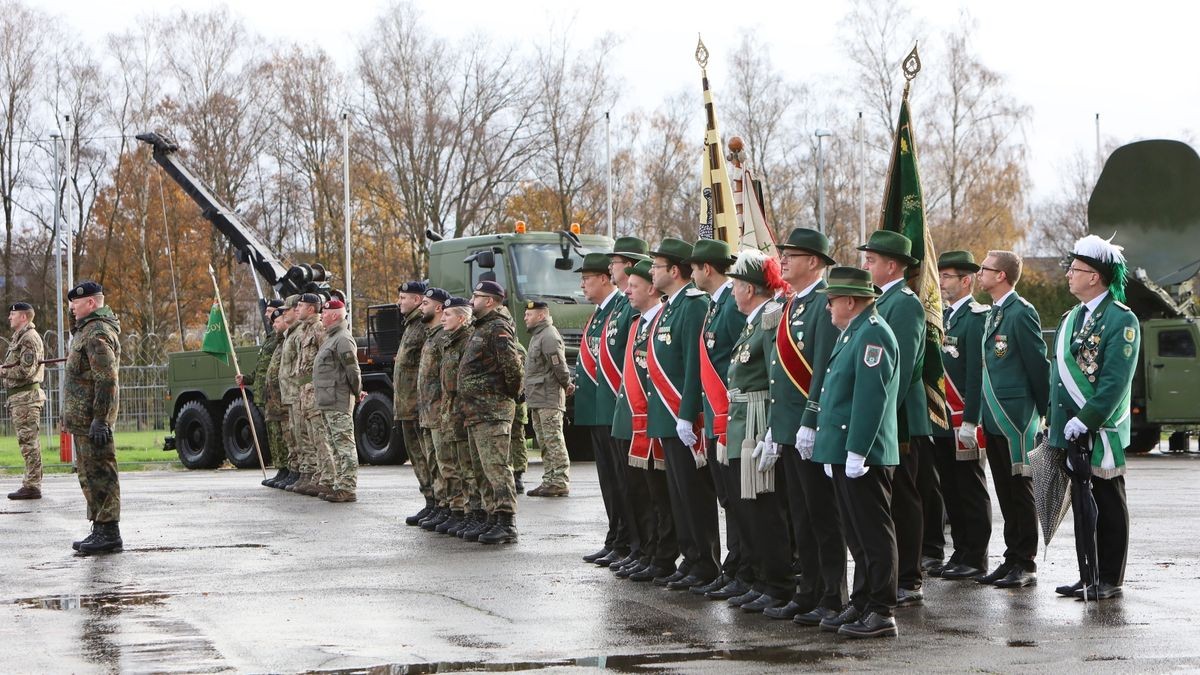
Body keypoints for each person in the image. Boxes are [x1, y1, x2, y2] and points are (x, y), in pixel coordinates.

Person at [764, 228, 848, 625]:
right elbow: (779, 373)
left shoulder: (822, 304)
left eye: (791, 255)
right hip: (788, 428)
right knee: (800, 515)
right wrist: (775, 427)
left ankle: (832, 595)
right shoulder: (793, 303)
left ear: (813, 261)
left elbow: (824, 371)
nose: (783, 260)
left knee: (822, 517)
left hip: (810, 430)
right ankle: (808, 590)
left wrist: (810, 420)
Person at [812, 266, 901, 639]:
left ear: (850, 301)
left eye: (831, 301)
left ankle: (882, 609)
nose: (828, 308)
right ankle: (864, 601)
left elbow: (870, 400)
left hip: (866, 454)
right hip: (845, 450)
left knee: (874, 533)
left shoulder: (872, 335)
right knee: (857, 534)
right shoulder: (854, 333)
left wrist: (857, 451)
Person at [1049, 235, 1139, 600]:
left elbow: (1115, 381)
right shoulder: (1072, 318)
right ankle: (1089, 573)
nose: (1069, 274)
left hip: (1100, 430)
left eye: (1076, 269)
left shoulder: (1121, 320)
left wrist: (1086, 419)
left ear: (1095, 276)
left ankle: (1110, 578)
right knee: (1083, 505)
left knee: (1108, 501)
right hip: (1071, 428)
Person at [859, 230, 931, 606]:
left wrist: (880, 413)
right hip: (886, 413)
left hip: (899, 415)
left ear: (892, 265)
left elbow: (897, 368)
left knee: (903, 496)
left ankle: (909, 576)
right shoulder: (879, 300)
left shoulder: (903, 304)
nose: (865, 265)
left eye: (871, 260)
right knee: (888, 497)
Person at [722, 250, 794, 614]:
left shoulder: (769, 318)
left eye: (735, 284)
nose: (732, 291)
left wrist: (770, 431)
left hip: (755, 420)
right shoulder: (753, 322)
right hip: (740, 421)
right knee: (747, 509)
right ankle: (761, 579)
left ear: (750, 288)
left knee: (765, 510)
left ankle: (777, 582)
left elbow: (775, 376)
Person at [647, 238, 719, 591]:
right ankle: (690, 558)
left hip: (683, 415)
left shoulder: (693, 306)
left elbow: (695, 366)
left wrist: (688, 413)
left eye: (656, 267)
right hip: (667, 415)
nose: (651, 272)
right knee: (678, 495)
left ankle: (705, 561)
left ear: (674, 271)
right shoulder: (671, 307)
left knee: (694, 494)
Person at [976, 250, 1049, 589]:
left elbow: (1037, 364)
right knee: (1005, 490)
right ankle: (1011, 556)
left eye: (985, 269)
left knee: (1021, 490)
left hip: (1017, 418)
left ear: (1001, 275)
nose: (979, 273)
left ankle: (1026, 561)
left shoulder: (1021, 313)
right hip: (994, 416)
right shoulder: (995, 314)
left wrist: (1046, 411)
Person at [686, 239, 752, 601]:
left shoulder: (731, 305)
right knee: (728, 499)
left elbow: (739, 361)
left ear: (706, 269)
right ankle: (735, 566)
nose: (692, 274)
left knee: (740, 501)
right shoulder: (717, 304)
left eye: (694, 268)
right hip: (716, 417)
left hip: (732, 417)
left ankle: (743, 569)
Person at [934, 251, 994, 580]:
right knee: (951, 489)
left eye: (947, 277)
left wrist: (972, 419)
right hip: (942, 419)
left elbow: (976, 374)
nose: (941, 282)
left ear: (966, 281)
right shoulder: (942, 317)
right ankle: (959, 550)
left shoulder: (976, 318)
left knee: (970, 488)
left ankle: (976, 555)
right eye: (940, 276)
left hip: (963, 418)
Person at [576, 253, 638, 567]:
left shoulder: (621, 308)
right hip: (597, 408)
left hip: (614, 406)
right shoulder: (602, 313)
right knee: (609, 481)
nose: (582, 284)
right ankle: (616, 537)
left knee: (622, 481)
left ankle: (625, 540)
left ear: (603, 278)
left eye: (587, 278)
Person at [620, 259, 679, 581]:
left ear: (652, 288)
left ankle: (664, 555)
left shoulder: (660, 320)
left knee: (665, 496)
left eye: (634, 286)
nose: (627, 291)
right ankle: (649, 550)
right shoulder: (639, 323)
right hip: (642, 418)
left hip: (663, 416)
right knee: (647, 494)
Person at [459, 280, 524, 544]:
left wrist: (504, 396)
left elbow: (513, 368)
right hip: (476, 411)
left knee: (497, 467)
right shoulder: (481, 327)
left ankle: (506, 522)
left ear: (490, 301)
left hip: (492, 410)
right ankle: (491, 518)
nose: (471, 300)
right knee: (482, 469)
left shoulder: (497, 328)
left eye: (476, 296)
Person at [64, 281, 124, 555]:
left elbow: (107, 378)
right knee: (89, 476)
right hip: (83, 419)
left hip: (93, 420)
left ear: (90, 303)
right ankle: (100, 528)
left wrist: (101, 418)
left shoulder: (97, 332)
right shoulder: (86, 329)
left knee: (101, 474)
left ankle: (109, 532)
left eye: (75, 303)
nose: (71, 308)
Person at [395, 281, 438, 524]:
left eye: (404, 297)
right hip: (407, 404)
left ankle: (437, 502)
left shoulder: (422, 327)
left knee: (427, 456)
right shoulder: (411, 325)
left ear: (417, 300)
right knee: (418, 457)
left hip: (418, 404)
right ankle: (430, 502)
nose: (400, 301)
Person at [440, 297, 482, 539]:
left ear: (462, 318)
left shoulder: (468, 340)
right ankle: (468, 513)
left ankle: (476, 513)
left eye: (448, 315)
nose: (443, 318)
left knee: (469, 468)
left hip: (464, 411)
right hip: (451, 411)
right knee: (458, 466)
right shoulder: (452, 340)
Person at [313, 298, 363, 502]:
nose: (322, 317)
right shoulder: (331, 338)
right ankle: (339, 483)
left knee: (344, 446)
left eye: (324, 313)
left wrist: (356, 392)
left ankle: (348, 487)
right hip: (327, 400)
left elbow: (353, 370)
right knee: (334, 445)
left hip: (338, 399)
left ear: (334, 315)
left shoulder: (343, 339)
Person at [523, 300, 572, 497]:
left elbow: (558, 365)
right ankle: (550, 480)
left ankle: (560, 480)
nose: (525, 317)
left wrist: (567, 384)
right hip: (538, 398)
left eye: (529, 314)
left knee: (553, 440)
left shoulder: (549, 336)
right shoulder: (538, 335)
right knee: (544, 441)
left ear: (541, 315)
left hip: (549, 399)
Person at [237, 299, 287, 487]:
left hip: (276, 394)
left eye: (271, 312)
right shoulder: (270, 337)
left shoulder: (280, 338)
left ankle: (286, 468)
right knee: (272, 434)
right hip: (265, 394)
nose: (267, 316)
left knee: (280, 433)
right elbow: (263, 369)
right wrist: (246, 379)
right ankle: (281, 469)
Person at [293, 293, 333, 498]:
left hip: (316, 390)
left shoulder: (318, 328)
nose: (296, 309)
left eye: (300, 306)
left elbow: (328, 357)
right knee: (312, 437)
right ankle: (319, 476)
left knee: (321, 436)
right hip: (305, 392)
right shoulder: (304, 329)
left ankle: (329, 478)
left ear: (311, 309)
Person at [5, 302, 46, 500]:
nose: (9, 318)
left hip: (27, 399)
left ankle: (32, 485)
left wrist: (3, 371)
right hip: (20, 399)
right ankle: (31, 483)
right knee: (27, 442)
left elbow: (26, 370)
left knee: (29, 443)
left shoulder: (29, 338)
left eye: (12, 314)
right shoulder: (20, 337)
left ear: (23, 317)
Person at [278, 295, 309, 493]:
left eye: (286, 309)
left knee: (302, 435)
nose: (283, 313)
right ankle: (296, 470)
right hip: (289, 394)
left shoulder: (299, 334)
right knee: (293, 435)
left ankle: (305, 473)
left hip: (298, 393)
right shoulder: (290, 334)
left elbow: (303, 366)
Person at [262, 308, 296, 489]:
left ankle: (292, 470)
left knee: (288, 437)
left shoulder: (289, 340)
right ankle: (283, 469)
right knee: (277, 436)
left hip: (285, 400)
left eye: (277, 321)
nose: (273, 324)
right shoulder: (278, 342)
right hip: (274, 400)